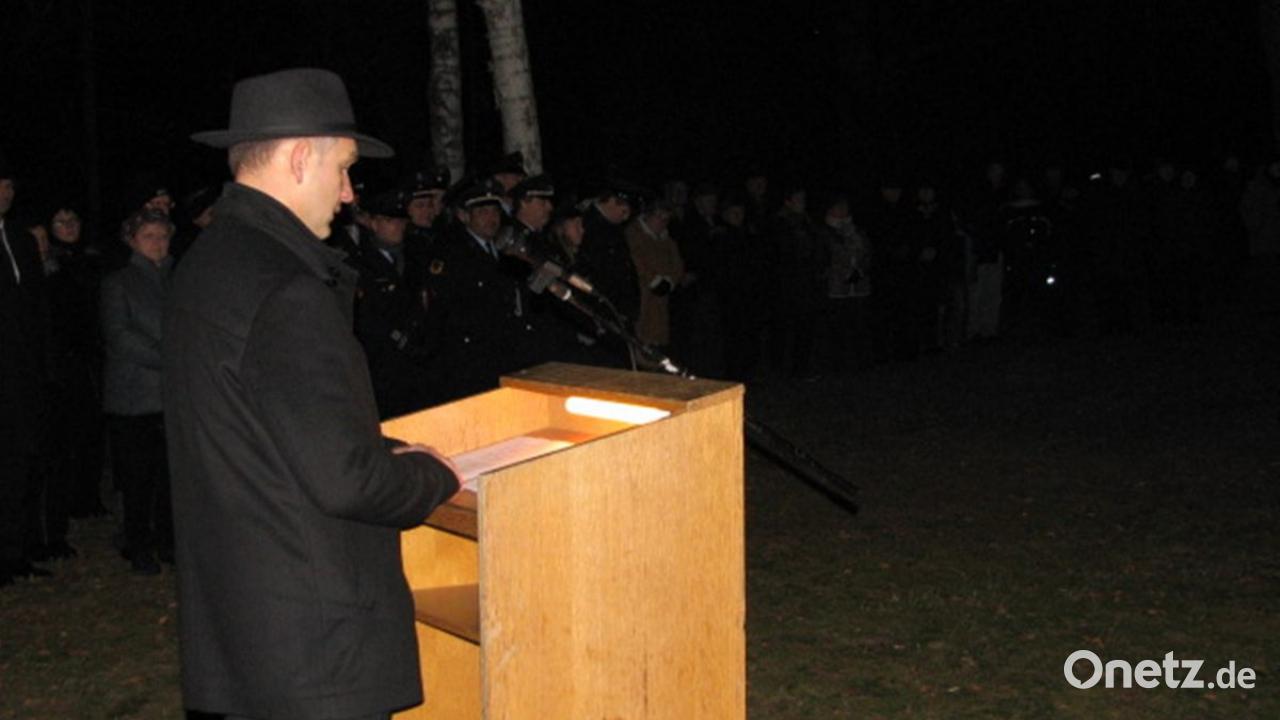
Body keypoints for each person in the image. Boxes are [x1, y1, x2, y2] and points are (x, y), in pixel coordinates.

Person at [168, 68, 461, 720]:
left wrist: (379, 443)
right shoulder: (287, 287)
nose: (351, 193)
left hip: (244, 625)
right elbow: (347, 482)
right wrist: (432, 474)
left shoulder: (211, 262)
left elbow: (259, 422)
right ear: (301, 157)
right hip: (316, 645)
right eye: (344, 168)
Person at [101, 208, 175, 574]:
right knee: (137, 480)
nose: (158, 244)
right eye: (149, 237)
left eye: (162, 237)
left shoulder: (178, 278)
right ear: (132, 240)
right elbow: (120, 336)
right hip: (134, 398)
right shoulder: (119, 282)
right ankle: (137, 543)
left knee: (169, 477)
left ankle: (168, 541)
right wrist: (171, 359)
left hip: (172, 398)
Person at [0, 156, 54, 587]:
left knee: (24, 460)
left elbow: (36, 307)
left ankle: (19, 549)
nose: (5, 194)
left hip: (24, 372)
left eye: (9, 186)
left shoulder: (18, 237)